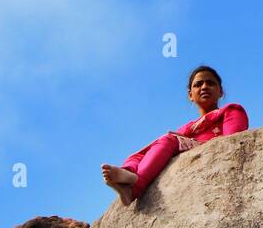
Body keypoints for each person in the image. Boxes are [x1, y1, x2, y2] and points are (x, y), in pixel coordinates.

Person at [102, 66, 249, 206]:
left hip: (208, 148)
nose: (204, 87)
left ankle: (135, 185)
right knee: (138, 155)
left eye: (210, 83)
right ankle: (127, 175)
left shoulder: (231, 110)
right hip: (185, 145)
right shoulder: (187, 127)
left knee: (168, 139)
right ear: (190, 95)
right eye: (198, 84)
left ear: (220, 91)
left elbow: (232, 142)